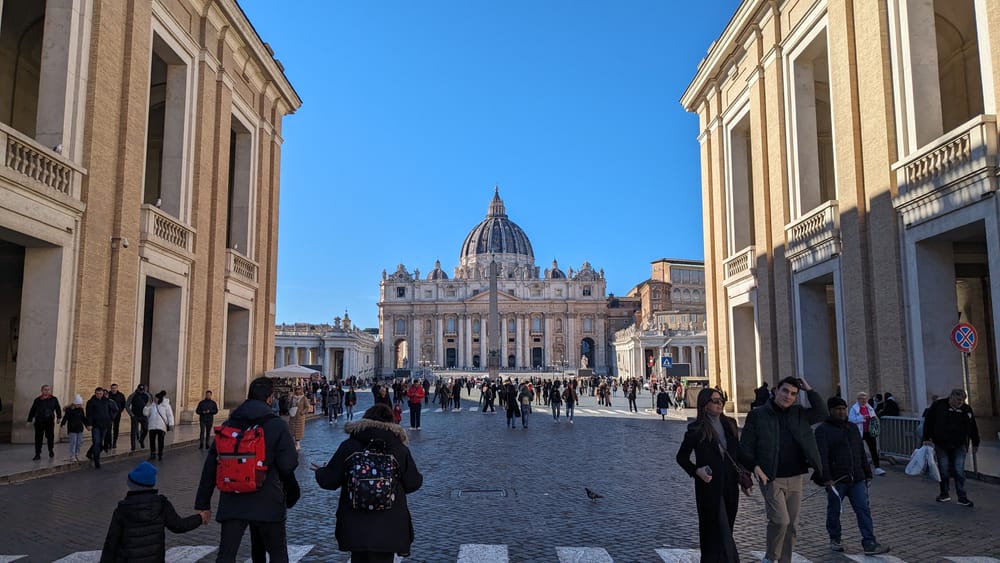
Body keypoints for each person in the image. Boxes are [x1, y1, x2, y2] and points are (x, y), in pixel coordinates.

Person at [195, 376, 300, 563]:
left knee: (226, 555)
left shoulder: (229, 425)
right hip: (268, 499)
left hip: (233, 499)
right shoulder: (277, 426)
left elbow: (211, 467)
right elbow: (288, 465)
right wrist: (291, 493)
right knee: (277, 554)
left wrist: (203, 504)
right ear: (269, 398)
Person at [314, 404, 423, 562]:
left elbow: (329, 481)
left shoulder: (349, 446)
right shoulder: (399, 448)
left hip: (355, 526)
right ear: (391, 422)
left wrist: (320, 471)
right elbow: (413, 483)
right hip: (389, 526)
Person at [740, 376, 826, 563]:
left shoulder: (799, 413)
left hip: (795, 477)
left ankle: (785, 560)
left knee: (792, 525)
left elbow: (822, 412)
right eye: (785, 391)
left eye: (793, 393)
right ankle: (771, 558)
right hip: (770, 476)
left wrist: (809, 389)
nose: (788, 396)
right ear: (776, 390)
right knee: (780, 520)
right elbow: (745, 446)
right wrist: (754, 467)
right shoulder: (758, 415)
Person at [676, 387, 746, 562]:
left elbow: (738, 455)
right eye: (715, 401)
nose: (719, 404)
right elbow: (681, 457)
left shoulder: (730, 425)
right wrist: (696, 471)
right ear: (705, 405)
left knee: (727, 526)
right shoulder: (696, 429)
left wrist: (745, 477)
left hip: (730, 485)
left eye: (721, 400)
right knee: (713, 528)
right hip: (708, 486)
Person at [814, 396, 889, 555]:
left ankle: (869, 541)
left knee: (863, 510)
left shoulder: (852, 428)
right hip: (836, 480)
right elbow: (822, 456)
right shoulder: (823, 430)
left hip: (857, 478)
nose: (841, 412)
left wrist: (867, 472)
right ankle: (835, 538)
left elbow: (860, 451)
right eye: (837, 409)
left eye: (843, 408)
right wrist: (826, 478)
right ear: (831, 410)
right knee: (834, 510)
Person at [101, 461, 205, 562]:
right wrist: (200, 518)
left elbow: (111, 542)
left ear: (131, 484)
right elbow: (179, 526)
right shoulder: (161, 504)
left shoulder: (123, 508)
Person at [922, 388, 980, 507]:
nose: (960, 403)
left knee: (959, 470)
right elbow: (928, 421)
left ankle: (962, 496)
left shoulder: (966, 409)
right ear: (951, 397)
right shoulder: (938, 406)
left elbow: (972, 426)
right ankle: (944, 493)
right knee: (943, 469)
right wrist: (926, 438)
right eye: (958, 400)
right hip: (941, 443)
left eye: (962, 400)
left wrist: (975, 442)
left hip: (960, 444)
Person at [848, 392, 885, 476]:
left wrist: (875, 419)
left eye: (865, 399)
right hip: (859, 432)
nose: (863, 400)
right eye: (861, 399)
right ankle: (859, 468)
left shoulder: (869, 408)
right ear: (858, 400)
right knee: (858, 450)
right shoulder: (854, 409)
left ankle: (877, 468)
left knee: (873, 449)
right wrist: (861, 418)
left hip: (869, 432)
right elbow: (851, 420)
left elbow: (874, 416)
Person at [27, 384, 62, 460]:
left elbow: (58, 408)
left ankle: (51, 450)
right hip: (39, 421)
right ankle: (37, 454)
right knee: (38, 438)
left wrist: (59, 417)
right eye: (45, 389)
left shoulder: (54, 399)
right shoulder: (37, 400)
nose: (47, 391)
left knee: (50, 437)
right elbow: (33, 410)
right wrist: (29, 420)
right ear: (42, 391)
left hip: (49, 421)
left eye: (48, 390)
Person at [86, 387, 117, 469]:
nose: (99, 395)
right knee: (96, 442)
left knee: (99, 443)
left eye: (100, 393)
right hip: (95, 426)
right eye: (97, 393)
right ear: (95, 393)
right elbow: (88, 414)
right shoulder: (91, 402)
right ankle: (97, 460)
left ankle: (90, 453)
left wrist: (111, 418)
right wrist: (89, 424)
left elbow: (115, 410)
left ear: (103, 393)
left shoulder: (107, 401)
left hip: (105, 425)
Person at [144, 390, 174, 461]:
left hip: (161, 426)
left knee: (160, 441)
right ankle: (153, 453)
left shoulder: (166, 406)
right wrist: (146, 407)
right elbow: (146, 414)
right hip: (152, 426)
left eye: (156, 398)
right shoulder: (152, 405)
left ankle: (160, 453)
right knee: (152, 440)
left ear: (159, 398)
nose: (154, 399)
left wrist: (171, 424)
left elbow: (170, 415)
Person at [61, 394, 89, 462]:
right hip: (72, 428)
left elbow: (83, 418)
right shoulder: (69, 410)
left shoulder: (81, 410)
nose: (79, 405)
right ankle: (72, 455)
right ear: (75, 404)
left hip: (79, 428)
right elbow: (66, 417)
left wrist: (87, 425)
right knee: (73, 442)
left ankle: (77, 454)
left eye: (80, 404)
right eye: (78, 404)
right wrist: (63, 423)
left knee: (79, 442)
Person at [126, 384, 152, 451]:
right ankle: (133, 446)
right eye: (140, 390)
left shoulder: (147, 395)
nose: (141, 391)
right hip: (135, 415)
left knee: (146, 429)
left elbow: (150, 404)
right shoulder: (133, 395)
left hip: (143, 416)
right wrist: (131, 414)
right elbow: (127, 405)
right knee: (133, 432)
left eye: (142, 390)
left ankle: (141, 440)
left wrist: (147, 412)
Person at [105, 383, 127, 450]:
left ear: (117, 388)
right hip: (109, 415)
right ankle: (109, 443)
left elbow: (123, 404)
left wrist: (120, 411)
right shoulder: (108, 394)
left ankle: (114, 442)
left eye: (115, 388)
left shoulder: (121, 395)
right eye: (112, 388)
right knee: (108, 429)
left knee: (116, 428)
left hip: (117, 415)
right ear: (111, 388)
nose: (113, 389)